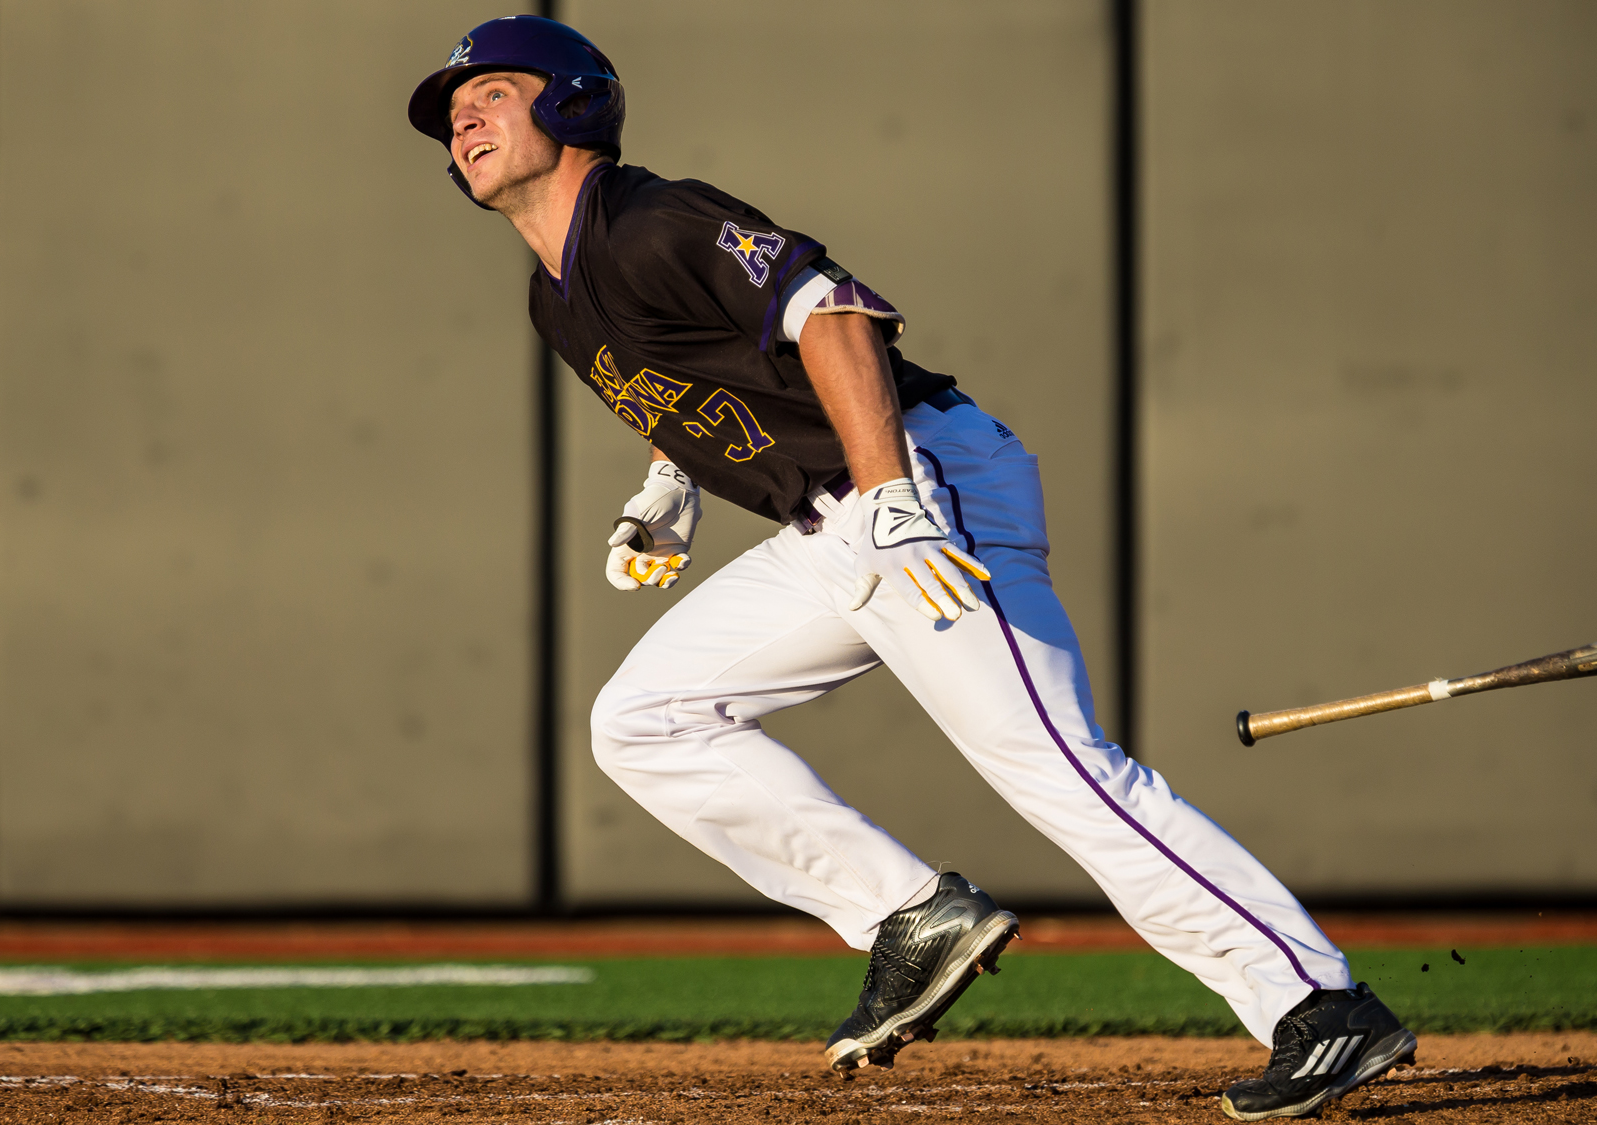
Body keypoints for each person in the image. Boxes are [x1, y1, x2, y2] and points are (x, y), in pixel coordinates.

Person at [407, 16, 1415, 1120]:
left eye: (492, 92)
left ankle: (1318, 1004)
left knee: (1059, 771)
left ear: (572, 102)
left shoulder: (652, 220)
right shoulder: (554, 292)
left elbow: (828, 313)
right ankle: (909, 915)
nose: (462, 118)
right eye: (451, 112)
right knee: (645, 719)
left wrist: (894, 496)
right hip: (827, 527)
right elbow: (698, 371)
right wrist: (672, 483)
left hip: (919, 489)